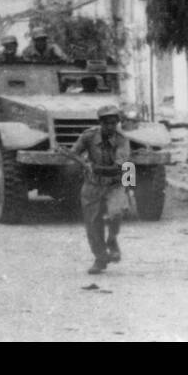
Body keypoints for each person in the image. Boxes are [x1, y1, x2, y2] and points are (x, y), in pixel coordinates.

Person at [69, 104, 132, 275]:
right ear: (100, 123)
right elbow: (74, 152)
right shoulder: (89, 136)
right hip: (93, 185)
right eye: (107, 123)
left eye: (114, 123)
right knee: (92, 224)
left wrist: (96, 168)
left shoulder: (122, 139)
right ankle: (100, 258)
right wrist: (84, 163)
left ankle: (112, 239)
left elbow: (121, 166)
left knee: (116, 213)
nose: (111, 127)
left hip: (115, 183)